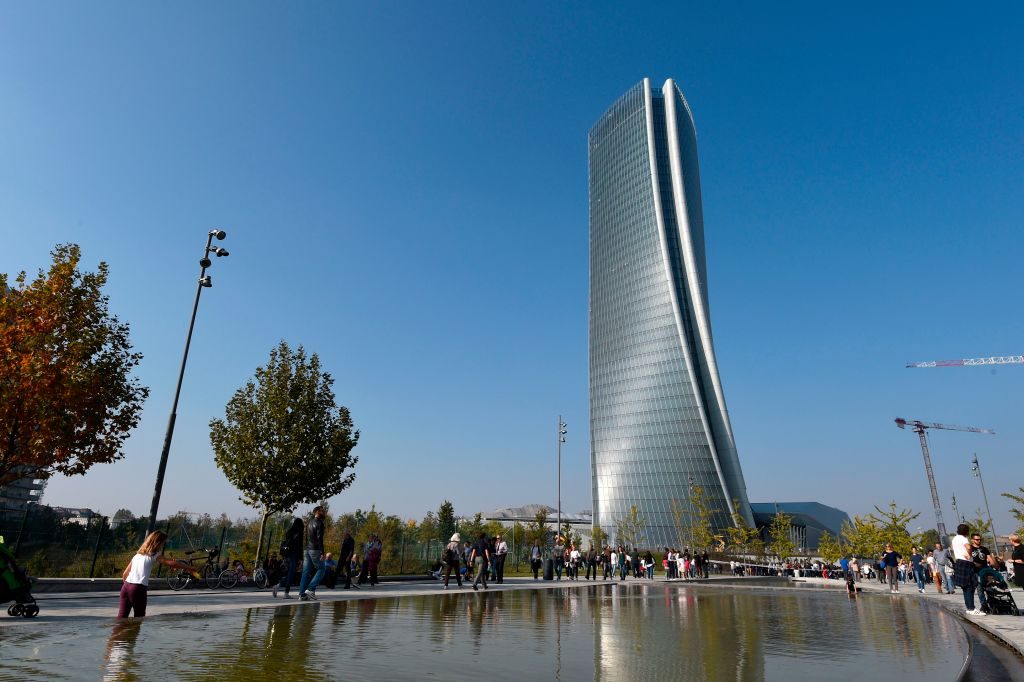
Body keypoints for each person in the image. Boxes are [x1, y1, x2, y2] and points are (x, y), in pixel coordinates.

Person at [118, 531, 194, 618]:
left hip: (126, 587)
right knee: (139, 618)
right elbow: (172, 563)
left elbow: (125, 574)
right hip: (138, 588)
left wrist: (128, 587)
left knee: (121, 618)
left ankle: (117, 631)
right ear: (157, 543)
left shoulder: (138, 555)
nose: (163, 546)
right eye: (162, 543)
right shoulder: (154, 555)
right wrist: (189, 568)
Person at [951, 523, 982, 615]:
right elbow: (968, 547)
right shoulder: (963, 539)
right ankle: (972, 608)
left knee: (965, 587)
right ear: (966, 531)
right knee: (970, 586)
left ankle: (969, 608)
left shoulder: (955, 539)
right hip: (966, 563)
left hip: (959, 561)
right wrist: (969, 554)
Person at [299, 506, 327, 601]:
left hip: (307, 549)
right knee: (322, 569)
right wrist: (322, 552)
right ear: (317, 512)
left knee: (305, 572)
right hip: (315, 549)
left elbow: (306, 537)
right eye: (322, 510)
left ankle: (302, 595)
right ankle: (310, 589)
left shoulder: (309, 523)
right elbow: (319, 539)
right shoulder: (320, 523)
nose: (324, 512)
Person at [273, 517, 304, 599]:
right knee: (291, 574)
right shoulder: (299, 533)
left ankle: (279, 586)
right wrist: (301, 559)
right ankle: (285, 591)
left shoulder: (289, 531)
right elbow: (300, 547)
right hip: (294, 555)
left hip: (287, 555)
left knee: (289, 573)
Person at [969, 533, 993, 612]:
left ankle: (992, 603)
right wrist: (974, 564)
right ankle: (984, 605)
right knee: (979, 588)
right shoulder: (970, 548)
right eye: (977, 539)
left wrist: (994, 565)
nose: (979, 541)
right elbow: (967, 558)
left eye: (980, 539)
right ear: (972, 540)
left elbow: (990, 558)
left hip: (985, 569)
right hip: (975, 571)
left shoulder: (984, 549)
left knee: (989, 587)